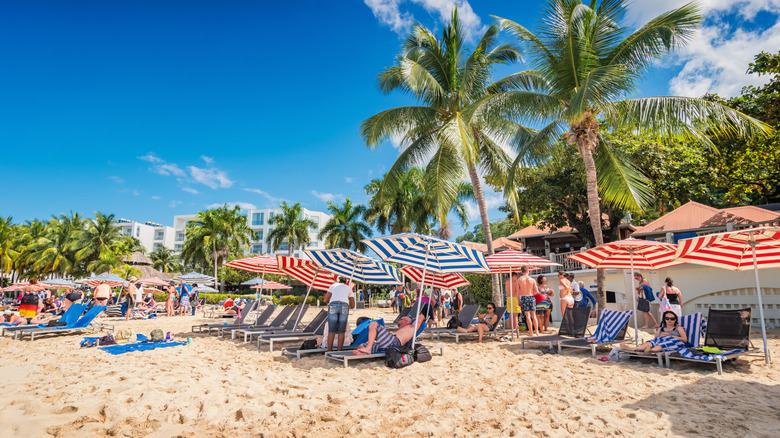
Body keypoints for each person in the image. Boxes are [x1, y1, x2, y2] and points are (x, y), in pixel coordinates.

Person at [354, 314, 425, 355]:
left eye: (400, 319)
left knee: (374, 324)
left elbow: (421, 316)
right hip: (387, 345)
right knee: (361, 346)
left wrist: (413, 319)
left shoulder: (411, 327)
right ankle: (364, 351)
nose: (398, 321)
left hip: (394, 342)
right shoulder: (401, 330)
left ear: (405, 321)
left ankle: (368, 349)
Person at [622, 311, 687, 353]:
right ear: (664, 319)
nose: (669, 320)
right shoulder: (660, 329)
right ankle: (633, 348)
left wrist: (671, 336)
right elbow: (655, 339)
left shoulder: (679, 328)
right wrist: (660, 336)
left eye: (672, 319)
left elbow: (685, 340)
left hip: (673, 342)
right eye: (667, 318)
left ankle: (650, 350)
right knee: (650, 343)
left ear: (675, 320)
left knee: (663, 345)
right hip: (660, 340)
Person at [324, 277, 355, 351]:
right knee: (341, 331)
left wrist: (330, 303)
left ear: (338, 281)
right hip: (344, 305)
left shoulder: (333, 286)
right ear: (346, 282)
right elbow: (353, 305)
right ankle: (339, 351)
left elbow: (325, 299)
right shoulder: (348, 288)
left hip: (333, 305)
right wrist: (349, 306)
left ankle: (329, 351)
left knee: (331, 331)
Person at [517, 266, 540, 336]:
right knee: (534, 315)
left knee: (527, 316)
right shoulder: (532, 280)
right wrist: (531, 293)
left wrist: (518, 300)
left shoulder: (519, 280)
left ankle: (531, 332)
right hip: (531, 297)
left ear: (521, 271)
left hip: (524, 297)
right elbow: (537, 291)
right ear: (528, 271)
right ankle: (536, 331)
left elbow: (517, 292)